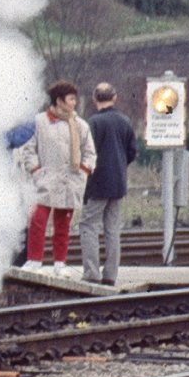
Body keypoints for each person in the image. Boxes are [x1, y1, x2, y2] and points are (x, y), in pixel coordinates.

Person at [19, 80, 95, 277]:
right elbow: (28, 149)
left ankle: (60, 263)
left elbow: (89, 152)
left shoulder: (80, 125)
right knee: (37, 221)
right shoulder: (39, 122)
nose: (74, 103)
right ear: (59, 101)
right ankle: (34, 260)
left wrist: (84, 171)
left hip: (70, 182)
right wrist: (36, 171)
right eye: (70, 99)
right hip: (45, 180)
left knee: (63, 225)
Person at [78, 82, 139, 287]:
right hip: (118, 183)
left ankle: (91, 273)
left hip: (96, 183)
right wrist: (120, 166)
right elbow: (132, 152)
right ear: (115, 98)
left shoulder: (92, 123)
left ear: (95, 99)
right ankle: (110, 274)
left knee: (88, 225)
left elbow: (85, 153)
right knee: (112, 229)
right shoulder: (125, 121)